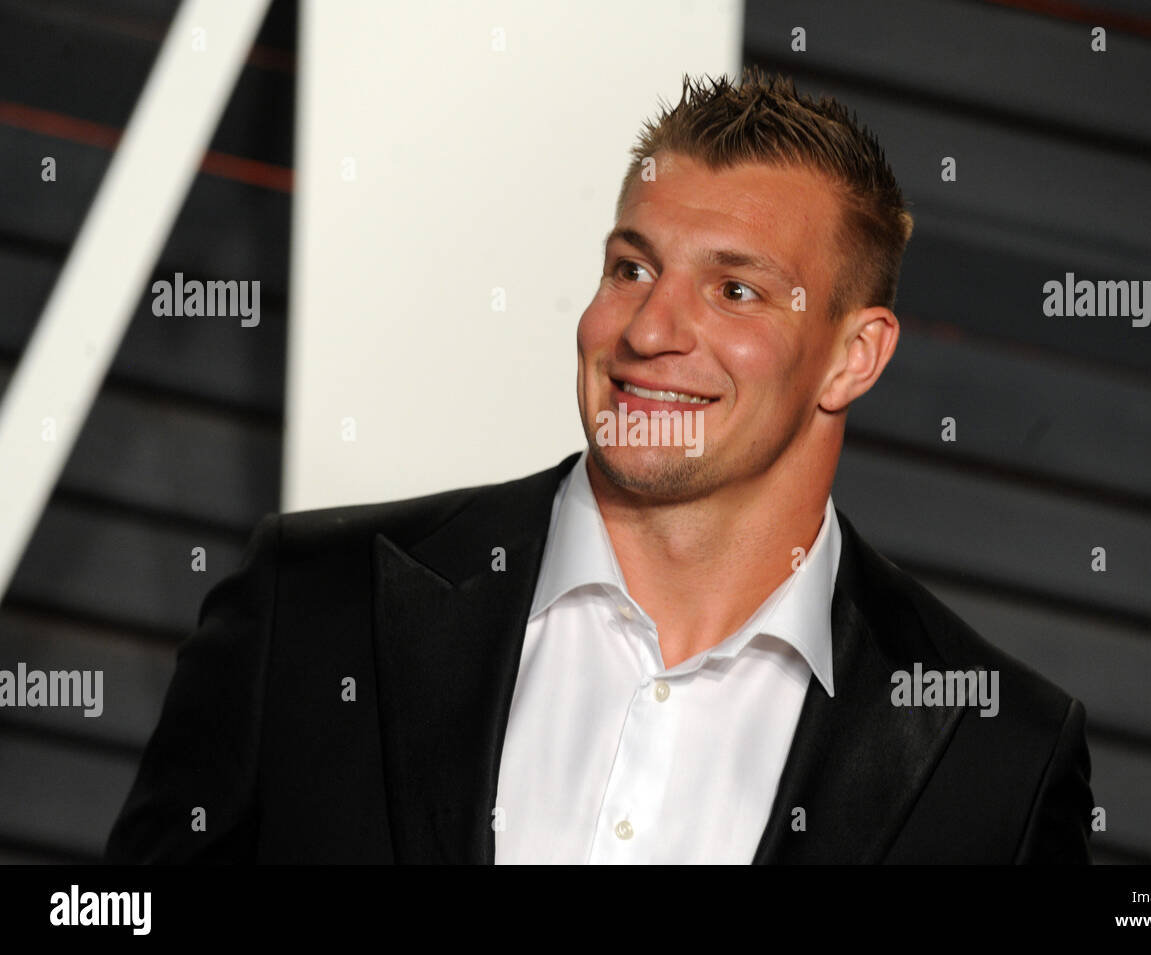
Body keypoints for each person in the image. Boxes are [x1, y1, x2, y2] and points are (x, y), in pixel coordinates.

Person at [105, 68, 1093, 864]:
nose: (652, 327)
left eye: (736, 290)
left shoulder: (992, 752)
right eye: (632, 268)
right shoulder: (312, 608)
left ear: (853, 356)